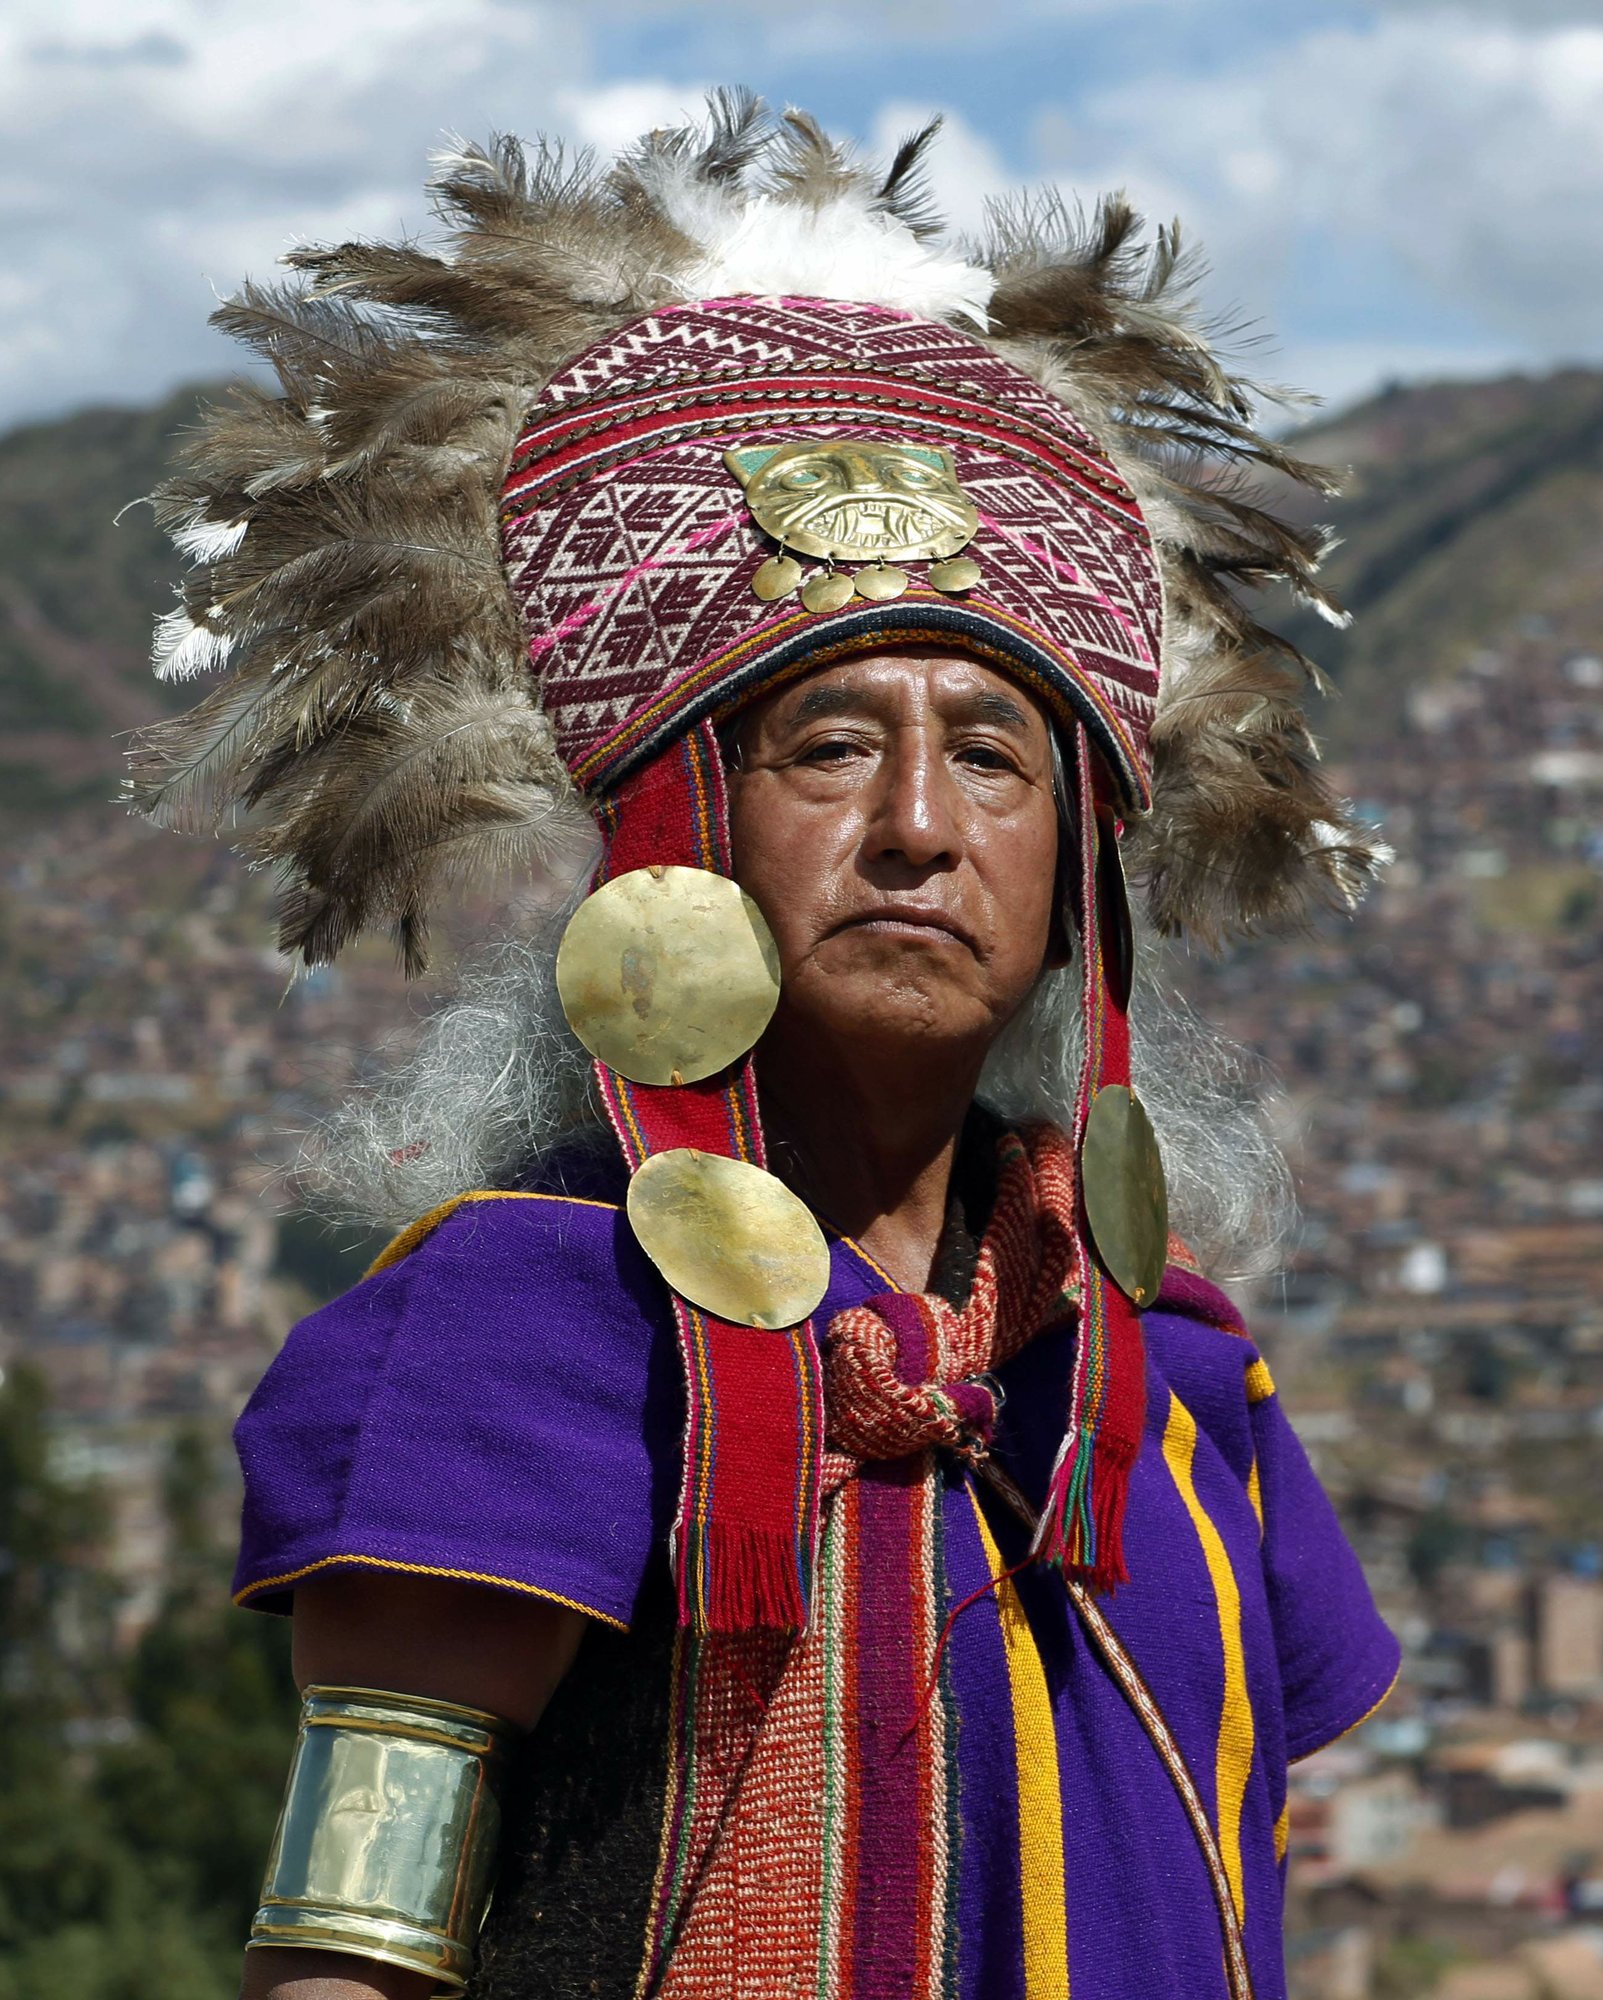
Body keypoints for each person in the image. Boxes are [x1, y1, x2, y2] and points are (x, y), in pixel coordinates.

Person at [135, 91, 1399, 2000]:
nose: (918, 823)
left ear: (1080, 873)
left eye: (991, 753)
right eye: (827, 745)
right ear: (682, 831)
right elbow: (346, 1967)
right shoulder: (519, 1339)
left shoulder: (1172, 1389)